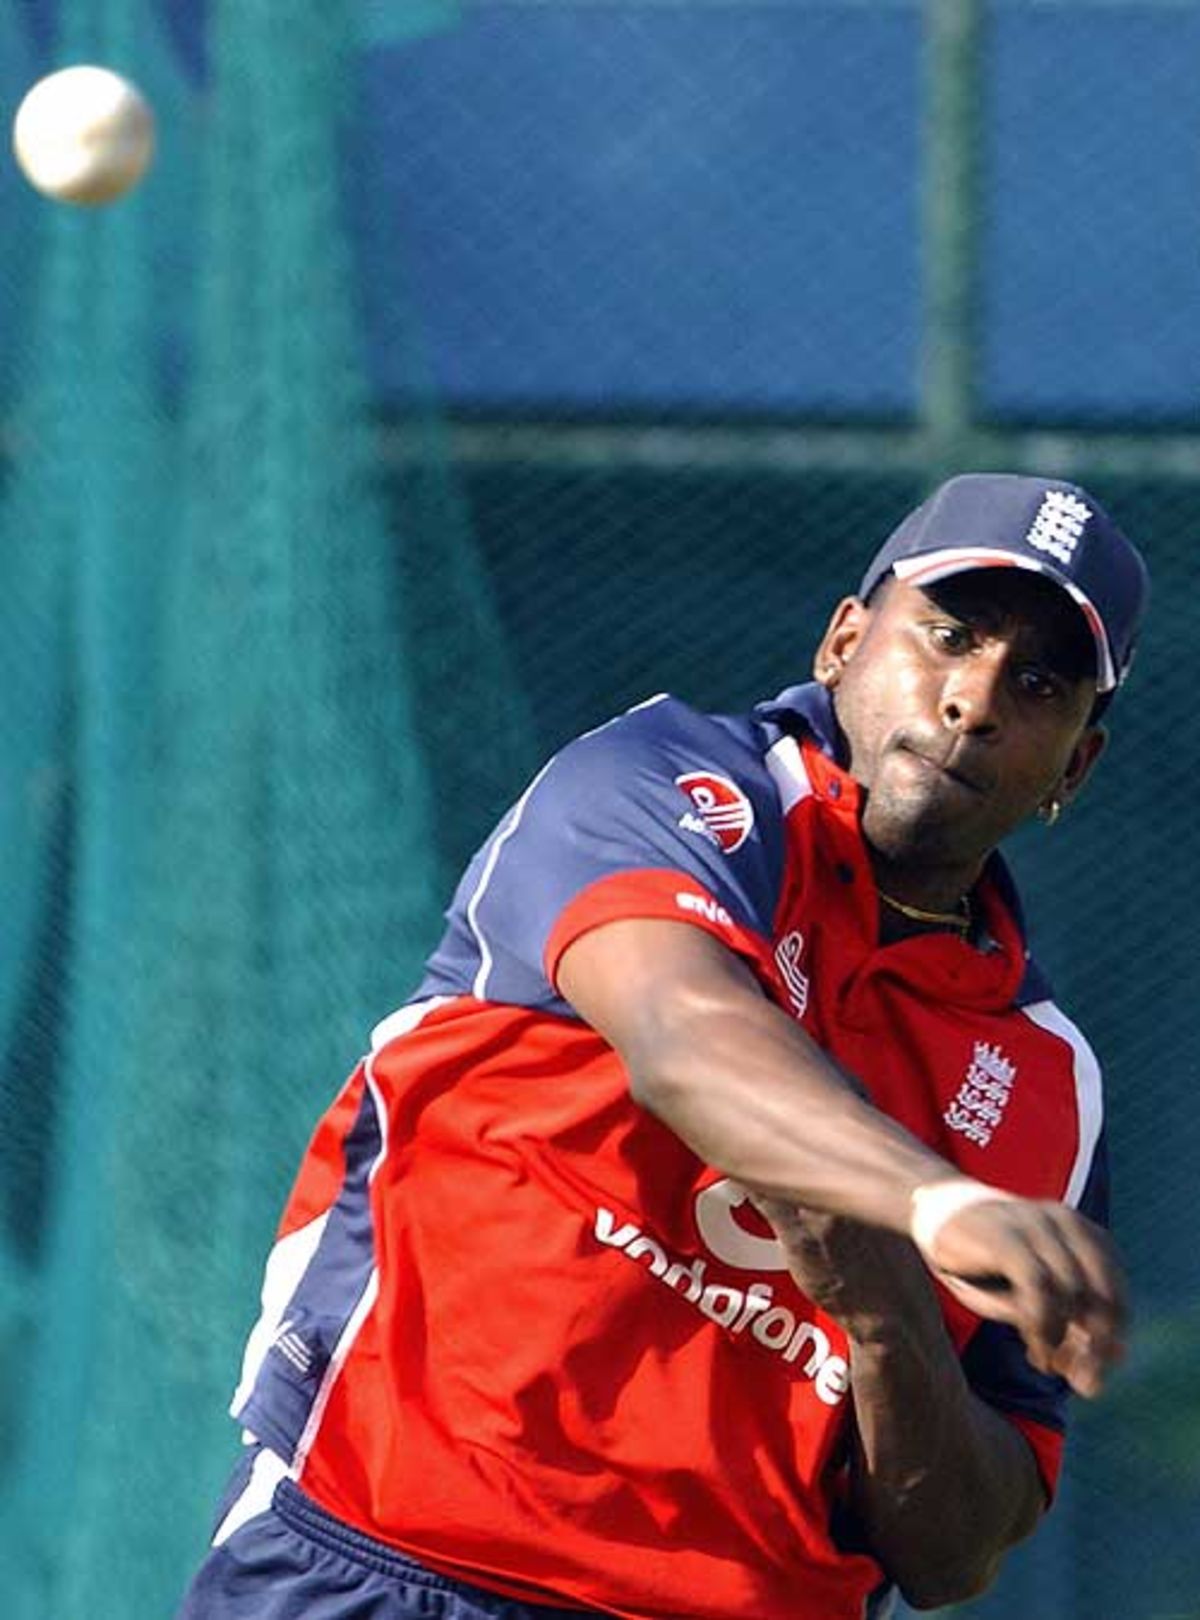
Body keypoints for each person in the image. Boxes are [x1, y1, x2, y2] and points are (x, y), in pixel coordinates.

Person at [178, 472, 1149, 1620]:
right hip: (385, 1555)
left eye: (1036, 683)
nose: (971, 700)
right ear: (843, 641)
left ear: (1074, 769)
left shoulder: (1049, 1085)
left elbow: (955, 1553)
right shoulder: (658, 786)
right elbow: (684, 1036)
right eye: (946, 636)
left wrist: (885, 1305)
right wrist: (935, 1204)